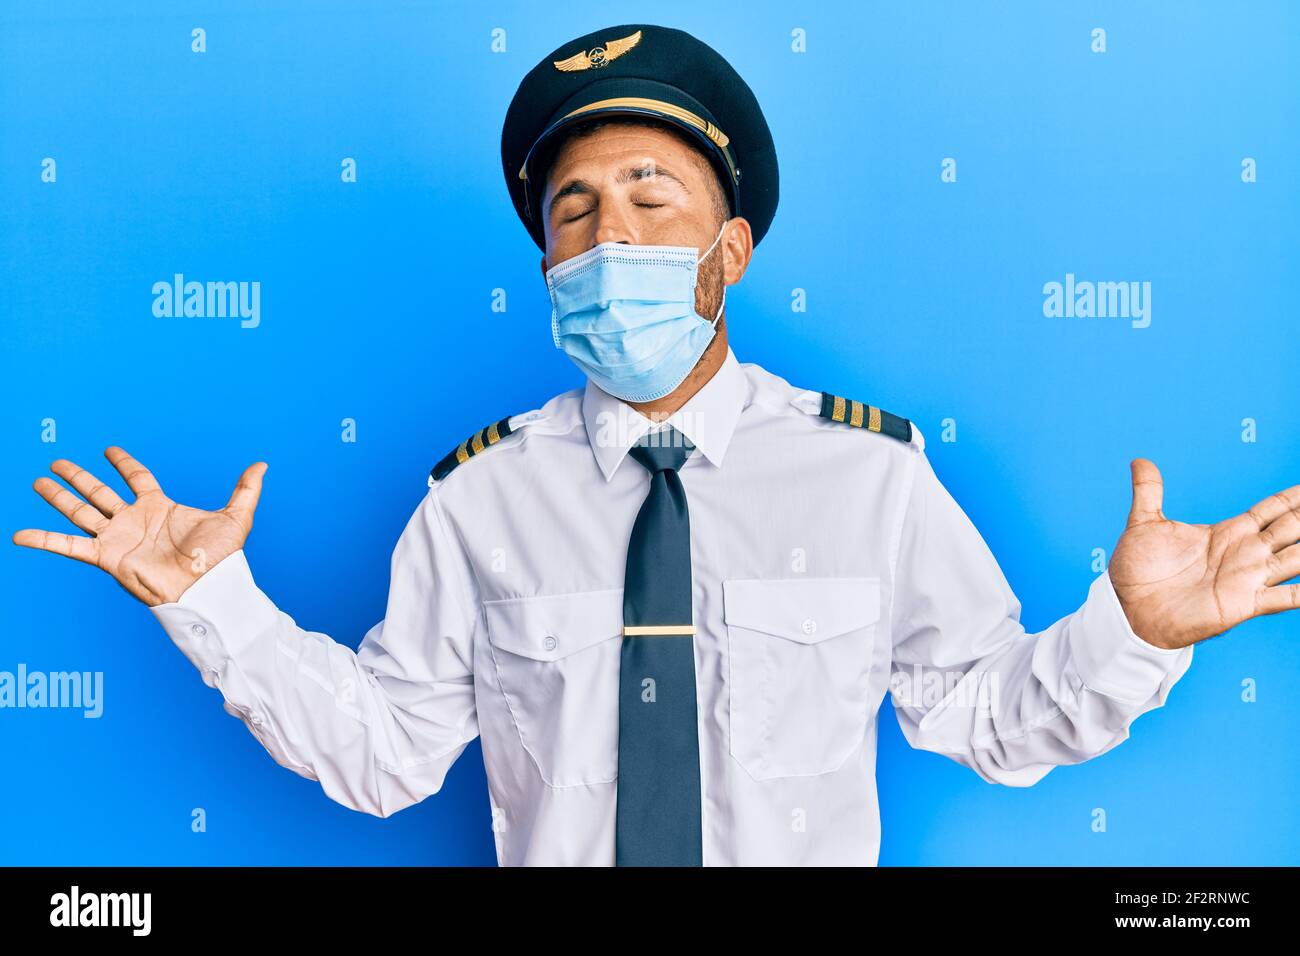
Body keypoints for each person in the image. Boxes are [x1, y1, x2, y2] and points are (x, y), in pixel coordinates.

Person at [14, 23, 1300, 867]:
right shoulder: (476, 501)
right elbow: (384, 760)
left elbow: (989, 719)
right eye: (572, 212)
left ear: (726, 253)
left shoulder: (871, 475)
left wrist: (1134, 632)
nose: (606, 234)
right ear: (548, 269)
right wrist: (212, 604)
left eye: (648, 197)